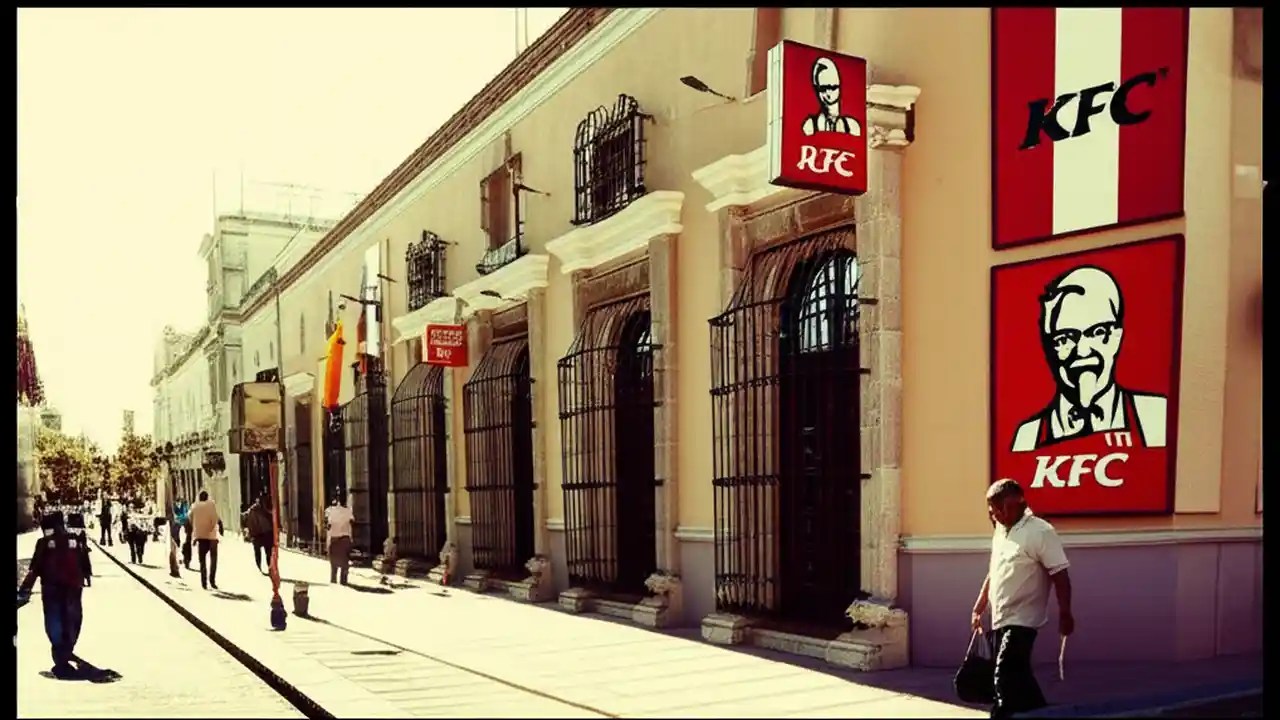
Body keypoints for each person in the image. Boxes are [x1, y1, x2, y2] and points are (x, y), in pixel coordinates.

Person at [1011, 265, 1168, 453]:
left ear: (1117, 337)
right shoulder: (1028, 438)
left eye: (1097, 332)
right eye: (1065, 338)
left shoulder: (1155, 418)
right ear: (1050, 348)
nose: (1083, 351)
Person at [970, 479, 1074, 718]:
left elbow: (1060, 575)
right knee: (1020, 675)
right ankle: (1039, 710)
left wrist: (1065, 612)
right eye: (992, 510)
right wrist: (979, 605)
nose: (997, 514)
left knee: (1003, 674)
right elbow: (995, 570)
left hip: (1024, 619)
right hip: (1000, 616)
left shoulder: (1040, 531)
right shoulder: (1001, 529)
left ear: (1020, 502)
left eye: (1002, 508)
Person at [17, 512, 90, 679]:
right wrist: (85, 577)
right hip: (74, 586)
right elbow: (84, 560)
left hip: (51, 587)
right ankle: (68, 645)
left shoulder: (44, 542)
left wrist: (25, 589)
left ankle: (59, 649)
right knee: (73, 616)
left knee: (54, 617)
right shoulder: (75, 540)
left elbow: (34, 568)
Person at [800, 56, 862, 137]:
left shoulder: (851, 126)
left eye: (832, 88)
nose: (828, 93)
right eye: (823, 89)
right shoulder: (810, 125)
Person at [189, 490, 222, 590]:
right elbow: (215, 518)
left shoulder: (194, 506)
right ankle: (212, 580)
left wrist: (196, 528)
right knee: (213, 558)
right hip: (211, 535)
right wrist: (213, 527)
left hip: (200, 536)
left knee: (202, 560)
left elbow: (190, 518)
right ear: (207, 497)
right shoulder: (211, 505)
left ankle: (204, 582)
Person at [324, 495, 355, 586]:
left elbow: (327, 525)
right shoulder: (348, 511)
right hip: (345, 538)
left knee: (333, 562)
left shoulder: (329, 511)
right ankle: (343, 580)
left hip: (334, 538)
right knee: (345, 561)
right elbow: (352, 522)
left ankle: (333, 579)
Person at [241, 494, 275, 574]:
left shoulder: (251, 511)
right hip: (265, 533)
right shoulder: (265, 510)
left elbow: (243, 519)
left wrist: (246, 531)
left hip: (256, 534)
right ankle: (268, 567)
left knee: (258, 552)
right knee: (268, 552)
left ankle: (261, 567)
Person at [64, 513, 94, 587]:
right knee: (85, 566)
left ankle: (79, 581)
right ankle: (87, 580)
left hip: (74, 551)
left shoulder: (70, 532)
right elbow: (84, 542)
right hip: (83, 551)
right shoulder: (82, 532)